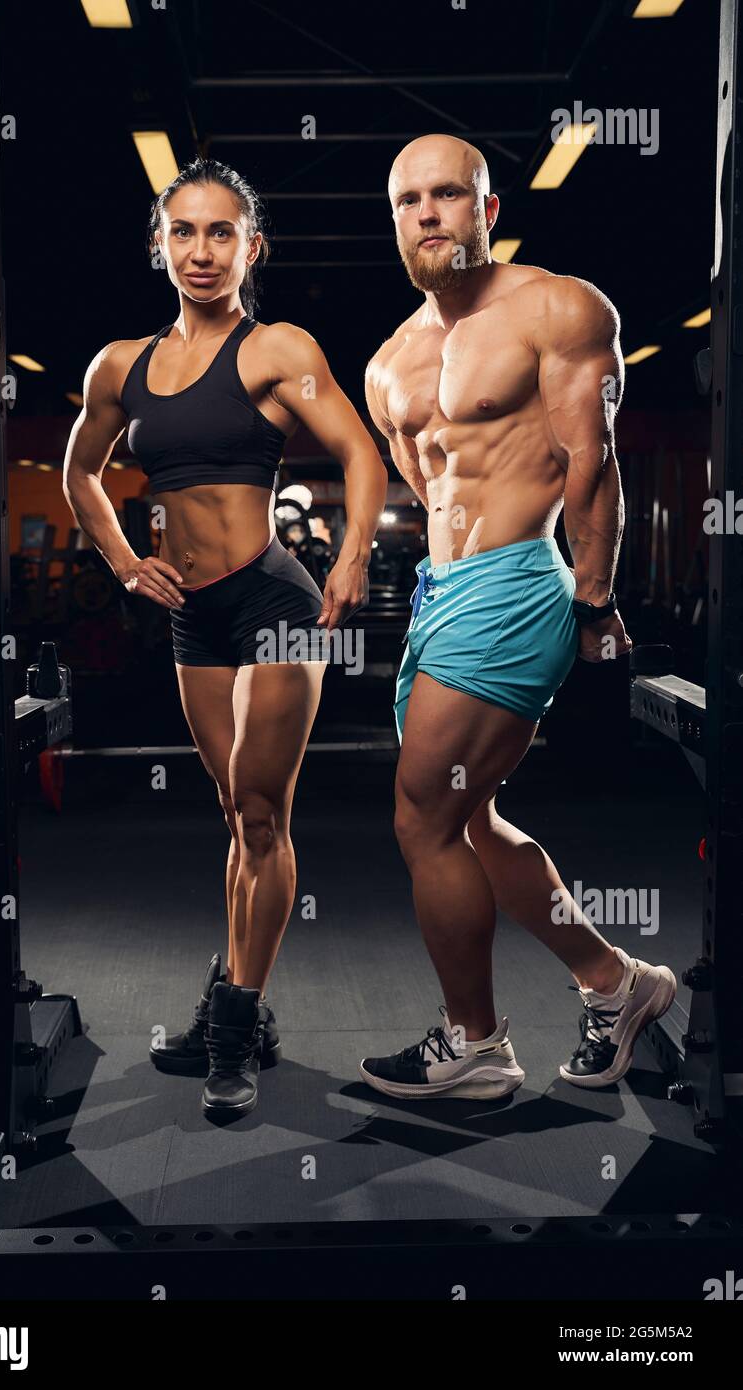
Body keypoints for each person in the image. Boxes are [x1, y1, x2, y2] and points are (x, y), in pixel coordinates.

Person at [63, 158, 388, 1118]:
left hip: (273, 600)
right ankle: (242, 992)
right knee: (232, 810)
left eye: (221, 233)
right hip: (190, 613)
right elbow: (84, 475)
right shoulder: (119, 366)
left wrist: (354, 557)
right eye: (184, 232)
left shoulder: (276, 348)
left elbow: (362, 454)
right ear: (161, 246)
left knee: (259, 809)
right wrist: (125, 563)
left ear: (252, 247)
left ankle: (234, 1026)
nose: (202, 251)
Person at [360, 134, 676, 1100]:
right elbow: (426, 487)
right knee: (470, 819)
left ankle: (478, 1043)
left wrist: (593, 598)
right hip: (441, 592)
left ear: (486, 210)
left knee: (424, 818)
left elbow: (592, 460)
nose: (427, 213)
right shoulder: (389, 362)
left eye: (448, 193)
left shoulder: (557, 306)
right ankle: (616, 984)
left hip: (517, 580)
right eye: (409, 199)